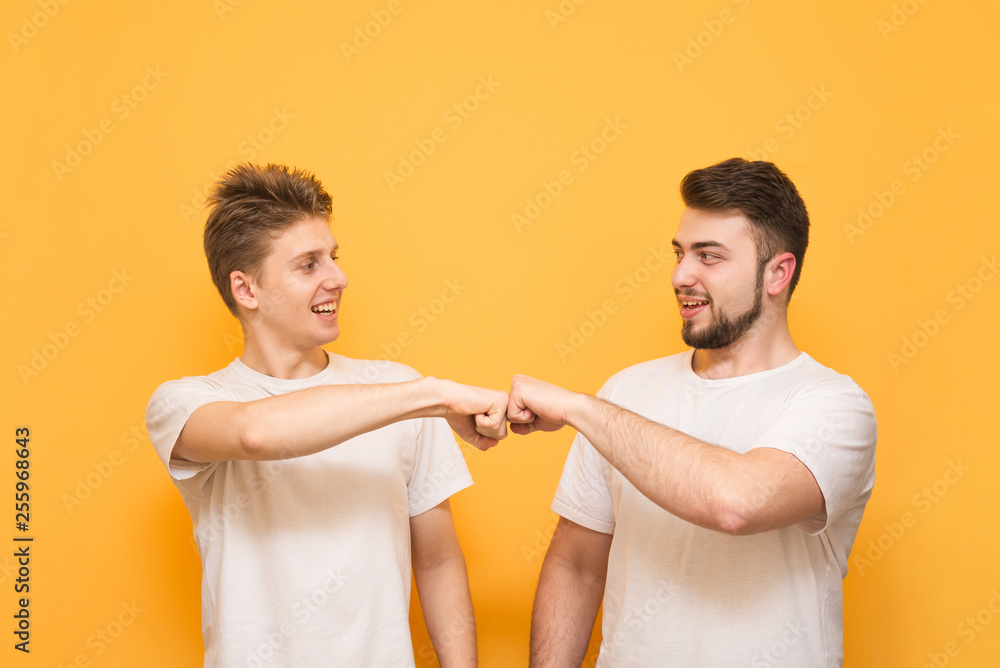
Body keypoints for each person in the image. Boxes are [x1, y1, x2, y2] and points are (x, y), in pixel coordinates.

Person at [507, 158, 877, 667]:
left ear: (777, 272)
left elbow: (738, 503)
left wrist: (577, 408)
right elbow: (576, 564)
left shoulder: (835, 406)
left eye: (710, 256)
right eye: (680, 253)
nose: (682, 274)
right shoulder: (626, 391)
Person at [145, 163, 507, 667]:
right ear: (246, 290)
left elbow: (439, 559)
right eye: (308, 264)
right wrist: (434, 395)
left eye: (333, 257)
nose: (339, 278)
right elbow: (254, 434)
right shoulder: (186, 403)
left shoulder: (402, 390)